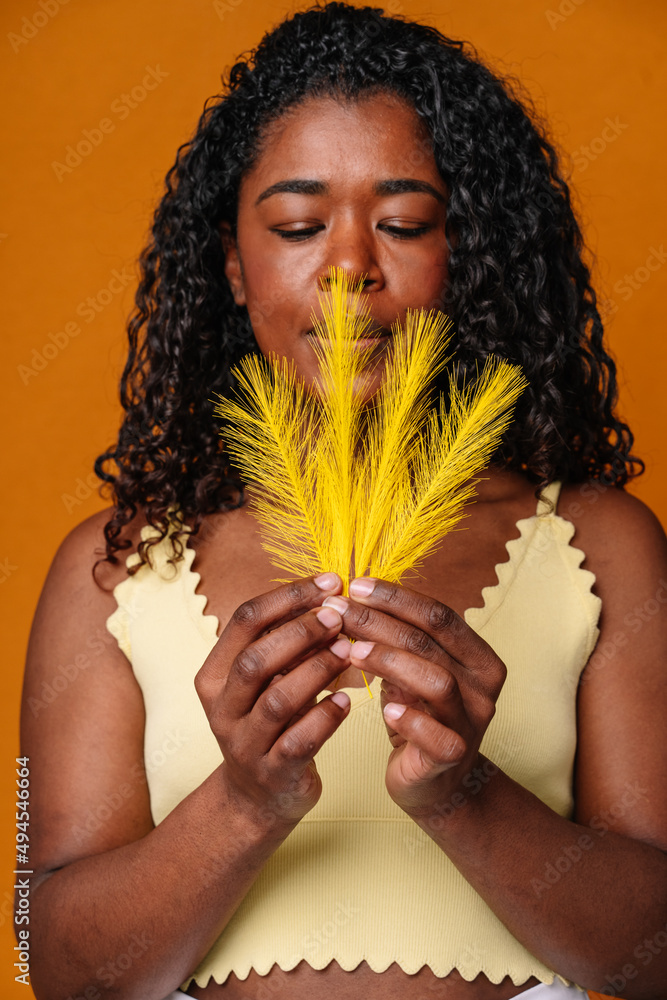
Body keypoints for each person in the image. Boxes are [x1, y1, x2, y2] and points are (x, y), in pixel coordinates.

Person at [20, 4, 667, 999]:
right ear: (232, 264)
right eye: (295, 224)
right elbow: (56, 965)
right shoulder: (111, 571)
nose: (350, 266)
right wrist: (243, 800)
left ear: (469, 258)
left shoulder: (601, 549)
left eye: (405, 224)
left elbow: (654, 947)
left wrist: (464, 794)